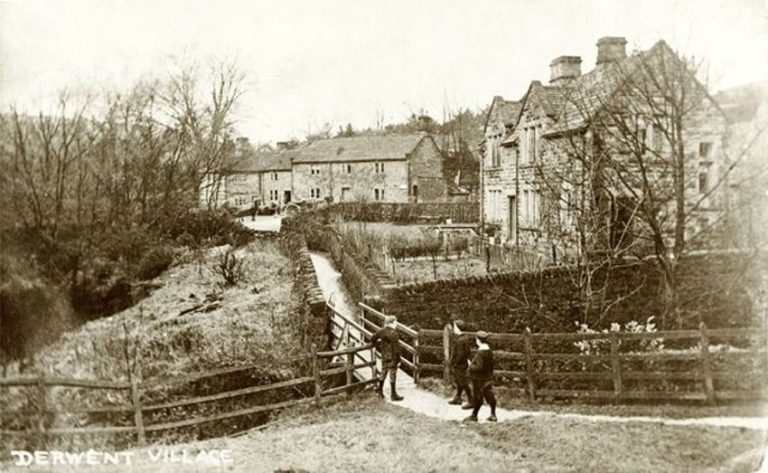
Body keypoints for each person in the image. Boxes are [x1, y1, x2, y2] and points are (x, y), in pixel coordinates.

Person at [464, 331, 497, 422]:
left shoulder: (480, 352)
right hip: (488, 377)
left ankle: (474, 416)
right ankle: (493, 414)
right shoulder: (489, 351)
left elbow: (479, 367)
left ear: (478, 340)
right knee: (490, 395)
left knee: (478, 397)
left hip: (478, 378)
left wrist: (470, 366)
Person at [371, 315, 404, 401]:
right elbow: (396, 348)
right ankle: (393, 395)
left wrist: (377, 346)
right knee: (392, 374)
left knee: (383, 372)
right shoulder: (394, 333)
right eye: (395, 322)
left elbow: (373, 338)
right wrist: (399, 359)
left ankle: (380, 391)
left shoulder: (382, 331)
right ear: (392, 323)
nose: (396, 324)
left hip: (385, 355)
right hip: (393, 356)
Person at [448, 319, 473, 409]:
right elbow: (468, 352)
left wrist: (454, 363)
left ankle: (471, 400)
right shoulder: (464, 337)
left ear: (458, 328)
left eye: (455, 326)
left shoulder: (460, 340)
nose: (454, 328)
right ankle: (458, 398)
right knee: (459, 381)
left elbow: (460, 354)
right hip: (463, 364)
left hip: (460, 365)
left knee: (463, 382)